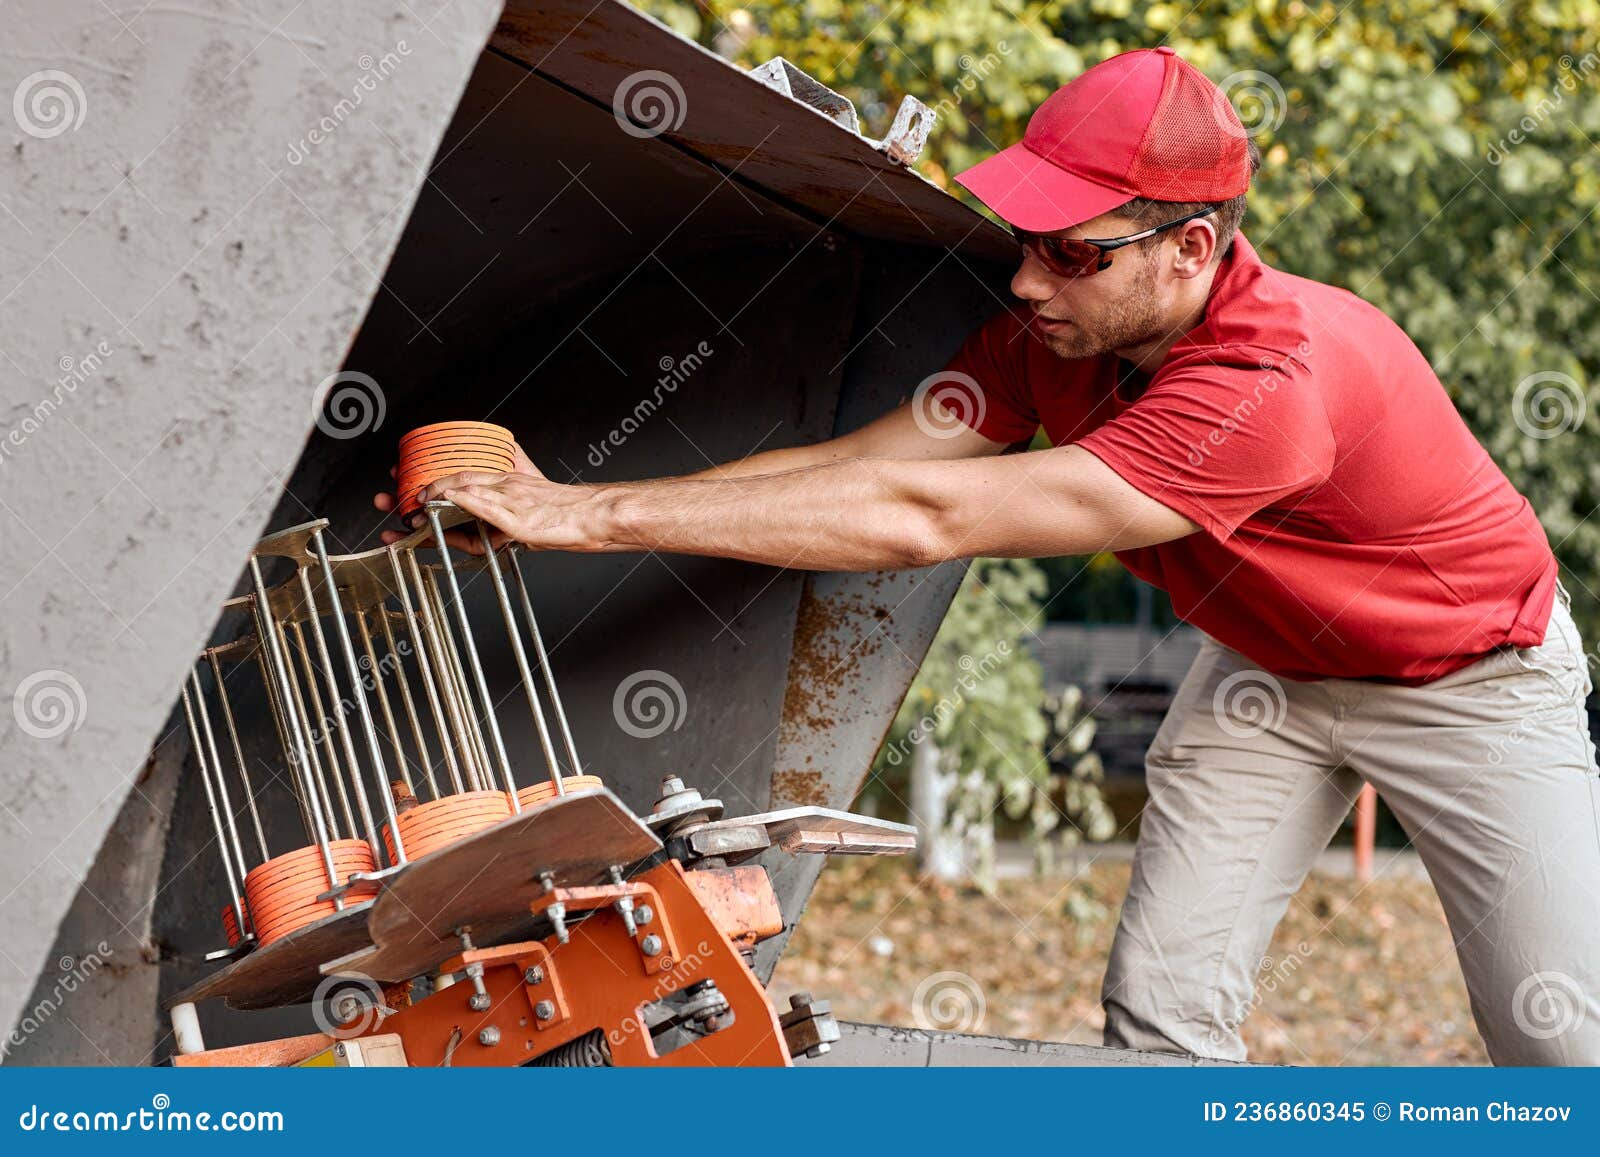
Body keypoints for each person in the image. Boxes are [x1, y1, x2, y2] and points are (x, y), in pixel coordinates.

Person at [374, 47, 1600, 1065]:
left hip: (1465, 678)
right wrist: (566, 498)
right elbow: (865, 466)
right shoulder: (1055, 340)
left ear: (1190, 248)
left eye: (1073, 251)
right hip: (1270, 669)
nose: (1024, 278)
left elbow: (925, 520)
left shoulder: (1265, 387)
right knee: (1160, 1024)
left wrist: (585, 520)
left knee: (1558, 1040)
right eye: (1026, 236)